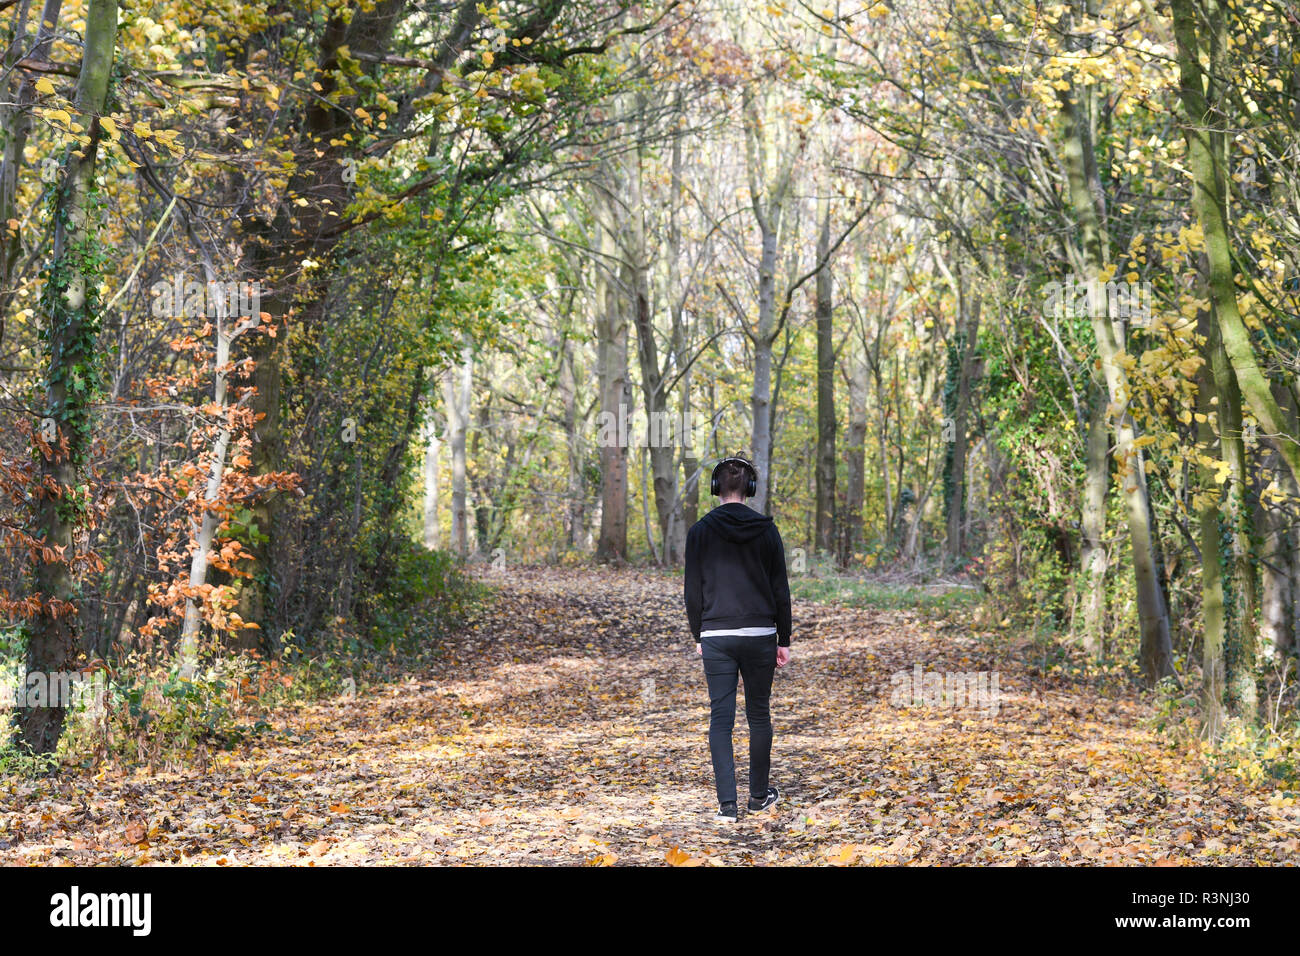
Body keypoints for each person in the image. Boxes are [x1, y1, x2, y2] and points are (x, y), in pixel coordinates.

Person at [683, 456, 792, 823]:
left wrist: (699, 632)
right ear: (750, 489)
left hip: (716, 634)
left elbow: (692, 591)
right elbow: (780, 589)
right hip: (761, 633)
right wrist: (784, 637)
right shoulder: (766, 530)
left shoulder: (699, 531)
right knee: (759, 715)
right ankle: (758, 797)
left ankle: (727, 806)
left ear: (716, 489)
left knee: (721, 719)